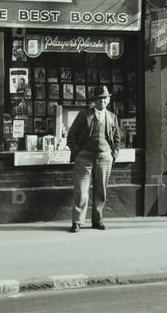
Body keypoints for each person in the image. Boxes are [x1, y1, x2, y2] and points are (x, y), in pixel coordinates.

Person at [66, 86, 120, 232]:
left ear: (108, 100)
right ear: (95, 100)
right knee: (81, 190)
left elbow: (117, 139)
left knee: (100, 190)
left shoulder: (112, 117)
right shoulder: (84, 115)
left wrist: (113, 154)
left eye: (105, 98)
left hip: (104, 157)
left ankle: (98, 220)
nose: (103, 101)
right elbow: (71, 136)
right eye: (100, 98)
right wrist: (78, 152)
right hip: (84, 157)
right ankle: (77, 221)